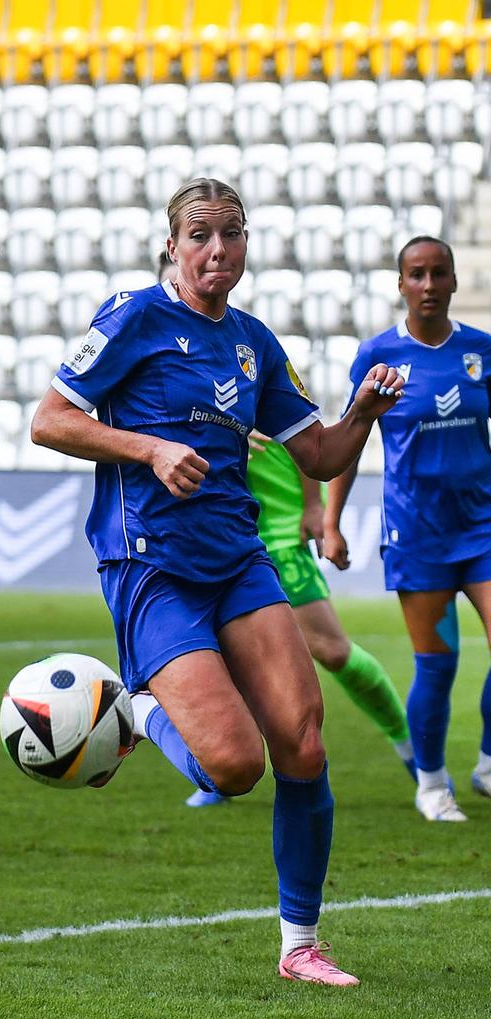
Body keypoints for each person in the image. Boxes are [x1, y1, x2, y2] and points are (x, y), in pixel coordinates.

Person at [32, 178, 405, 987]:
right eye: (199, 234)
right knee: (235, 767)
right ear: (171, 246)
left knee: (303, 743)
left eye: (231, 233)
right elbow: (50, 421)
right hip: (151, 563)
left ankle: (300, 945)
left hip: (237, 558)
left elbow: (320, 456)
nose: (217, 250)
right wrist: (150, 449)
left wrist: (364, 411)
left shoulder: (252, 342)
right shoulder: (132, 315)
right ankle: (134, 711)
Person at [152, 258, 414, 808]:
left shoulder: (245, 352)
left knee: (332, 651)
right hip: (208, 538)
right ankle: (219, 773)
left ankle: (408, 745)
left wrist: (316, 511)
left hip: (272, 531)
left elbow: (305, 437)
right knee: (221, 661)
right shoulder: (158, 357)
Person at [324, 235, 491, 823]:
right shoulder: (379, 356)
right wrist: (331, 521)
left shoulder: (480, 350)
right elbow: (351, 436)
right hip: (418, 535)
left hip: (483, 528)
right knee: (438, 666)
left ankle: (488, 763)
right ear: (401, 284)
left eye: (438, 273)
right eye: (416, 274)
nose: (428, 285)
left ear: (453, 281)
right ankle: (432, 783)